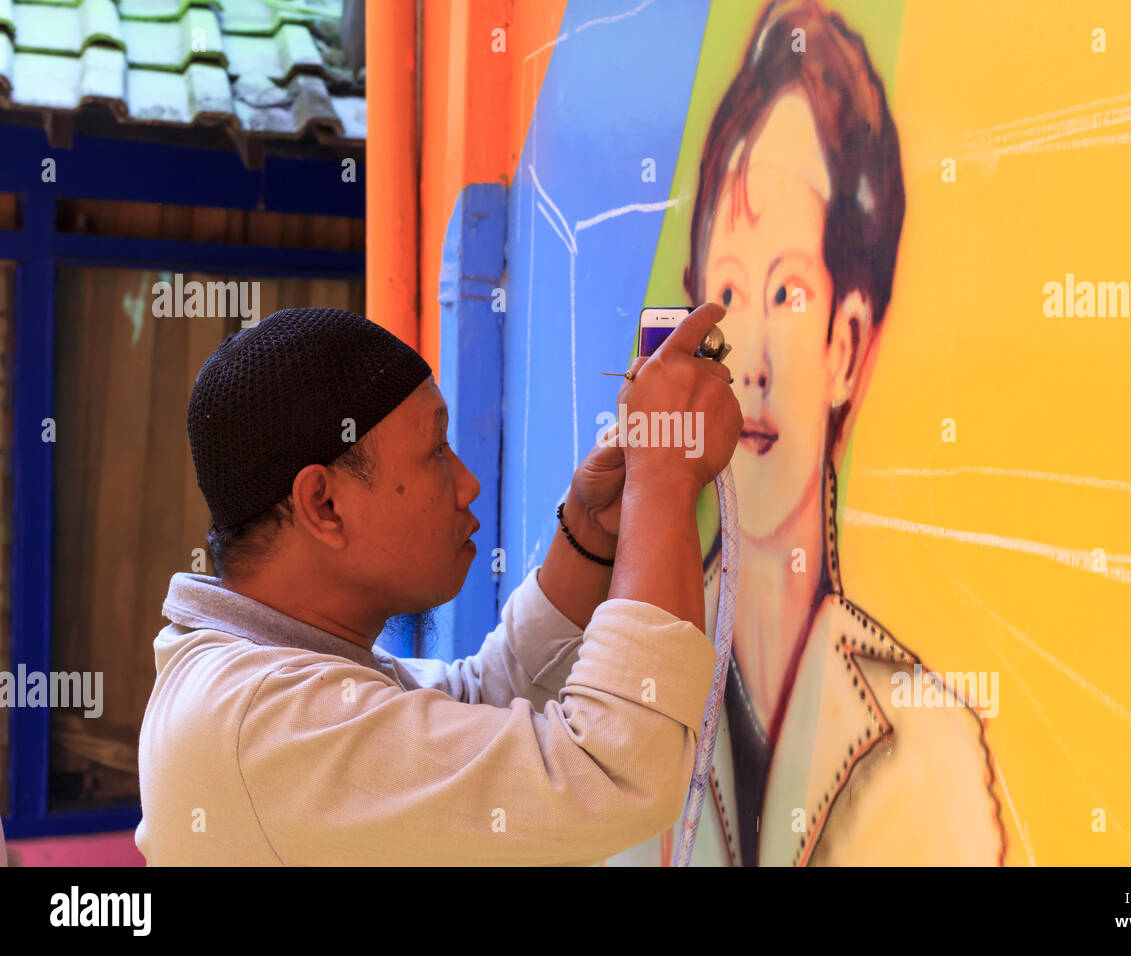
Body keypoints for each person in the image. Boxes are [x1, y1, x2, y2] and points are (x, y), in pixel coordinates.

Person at [607, 0, 1005, 866]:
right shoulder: (617, 685)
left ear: (848, 346)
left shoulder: (931, 752)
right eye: (728, 295)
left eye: (788, 294)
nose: (748, 363)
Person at [136, 303, 742, 865]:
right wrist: (663, 476)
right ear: (323, 504)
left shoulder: (264, 680)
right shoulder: (262, 722)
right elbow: (614, 770)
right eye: (436, 451)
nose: (468, 483)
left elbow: (481, 710)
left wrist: (589, 534)